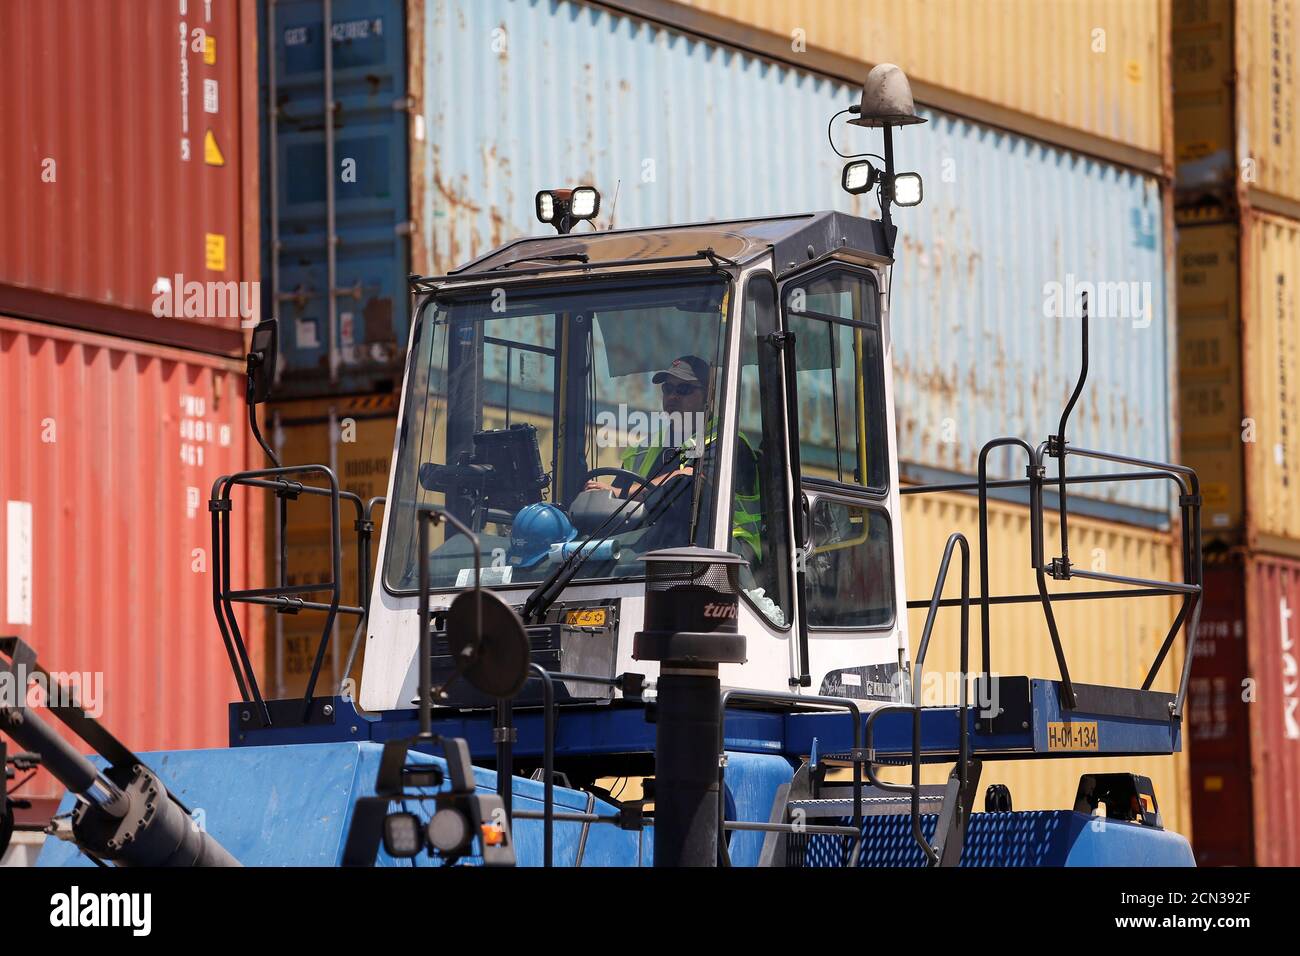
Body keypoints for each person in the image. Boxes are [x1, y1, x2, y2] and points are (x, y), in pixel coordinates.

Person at [586, 354, 762, 558]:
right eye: (668, 389)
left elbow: (689, 479)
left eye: (684, 389)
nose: (673, 397)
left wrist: (620, 493)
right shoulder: (643, 449)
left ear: (709, 395)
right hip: (660, 551)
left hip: (728, 554)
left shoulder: (728, 442)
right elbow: (615, 496)